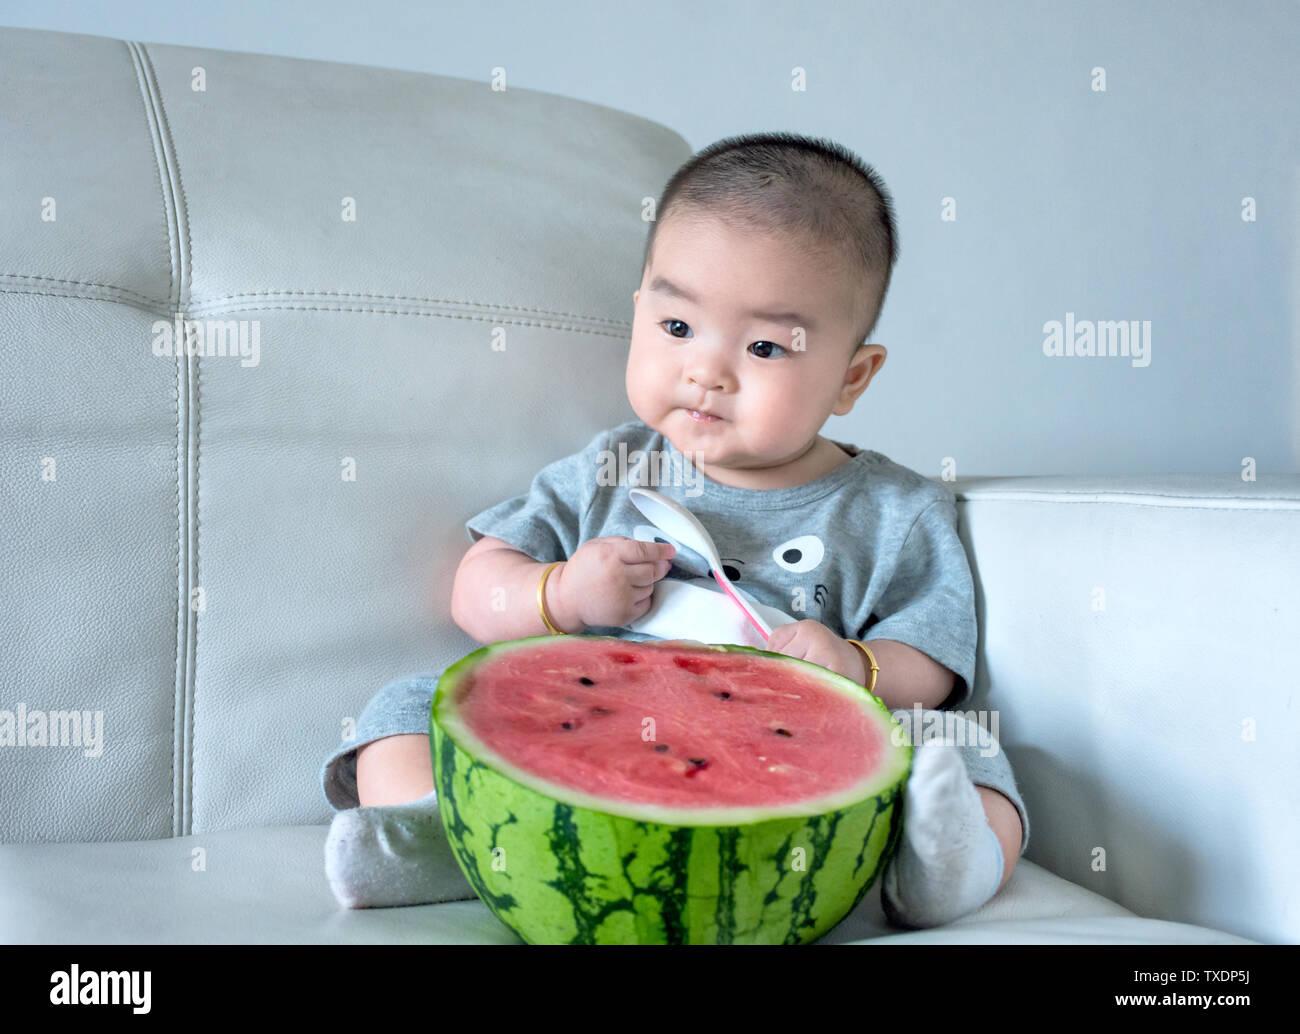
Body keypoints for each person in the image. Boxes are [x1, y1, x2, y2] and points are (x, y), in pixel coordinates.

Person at [320, 132, 1029, 931]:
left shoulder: (898, 510)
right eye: (678, 328)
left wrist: (857, 665)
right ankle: (446, 837)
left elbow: (934, 658)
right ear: (639, 316)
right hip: (586, 735)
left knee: (957, 743)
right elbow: (477, 587)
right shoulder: (612, 468)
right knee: (408, 706)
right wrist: (559, 591)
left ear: (851, 377)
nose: (708, 371)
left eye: (765, 346)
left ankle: (950, 866)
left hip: (786, 759)